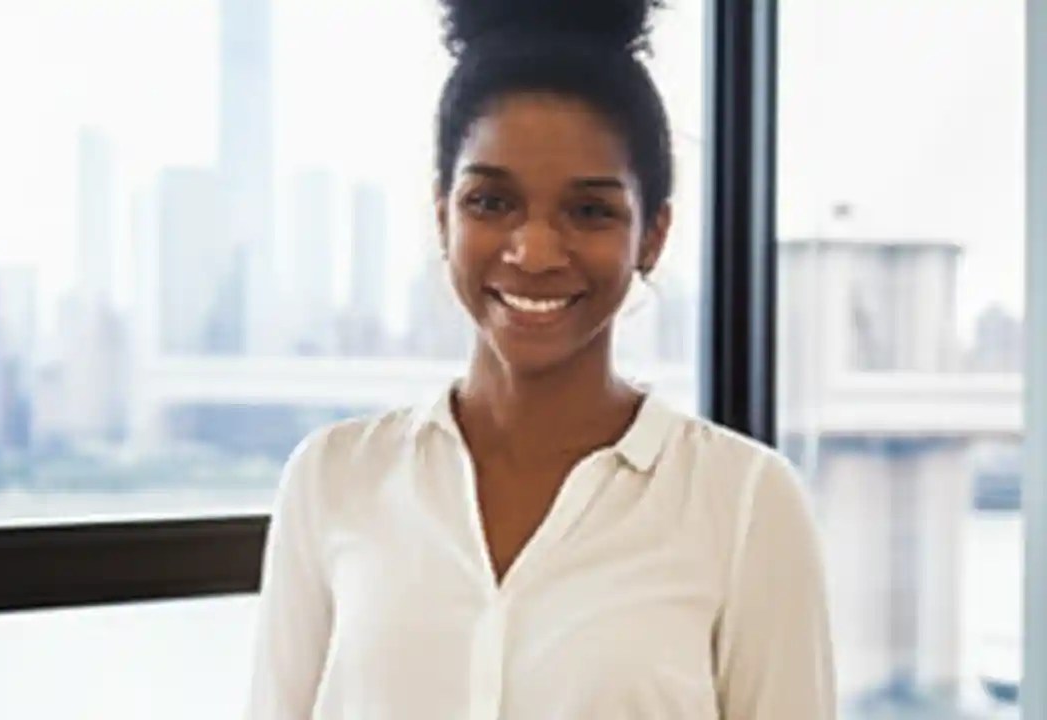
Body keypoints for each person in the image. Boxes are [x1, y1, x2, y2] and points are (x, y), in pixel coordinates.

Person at [246, 0, 835, 717]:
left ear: (652, 236)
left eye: (589, 212)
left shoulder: (745, 504)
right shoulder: (332, 481)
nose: (534, 252)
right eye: (492, 202)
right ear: (443, 216)